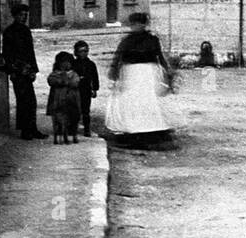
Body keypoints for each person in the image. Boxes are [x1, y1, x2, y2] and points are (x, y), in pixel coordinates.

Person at [105, 12, 174, 148]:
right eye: (135, 24)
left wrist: (167, 71)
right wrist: (114, 73)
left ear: (144, 24)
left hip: (147, 73)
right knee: (131, 100)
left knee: (146, 99)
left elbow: (159, 56)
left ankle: (149, 128)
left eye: (140, 24)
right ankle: (133, 129)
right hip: (131, 73)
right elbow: (118, 57)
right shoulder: (127, 41)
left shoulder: (152, 40)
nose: (137, 27)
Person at [1, 3, 42, 139]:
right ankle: (25, 131)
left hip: (27, 70)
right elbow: (7, 54)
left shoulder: (26, 31)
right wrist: (11, 71)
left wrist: (33, 70)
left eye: (26, 15)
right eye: (21, 15)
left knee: (32, 101)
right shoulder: (9, 32)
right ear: (15, 16)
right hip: (17, 71)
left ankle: (33, 129)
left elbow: (30, 52)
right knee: (23, 101)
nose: (24, 17)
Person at [46, 52, 82, 144]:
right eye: (63, 62)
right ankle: (60, 131)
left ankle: (71, 132)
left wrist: (67, 80)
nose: (66, 65)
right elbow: (51, 80)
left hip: (71, 99)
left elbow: (76, 82)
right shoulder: (55, 74)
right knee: (59, 115)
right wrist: (62, 80)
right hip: (58, 99)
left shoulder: (73, 74)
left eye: (68, 62)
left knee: (73, 115)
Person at [72, 40, 100, 137]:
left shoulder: (91, 64)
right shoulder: (73, 64)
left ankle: (87, 129)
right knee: (75, 110)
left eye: (85, 51)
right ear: (76, 52)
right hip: (75, 89)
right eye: (81, 51)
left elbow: (95, 77)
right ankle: (73, 128)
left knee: (86, 110)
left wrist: (95, 89)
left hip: (86, 89)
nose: (83, 53)